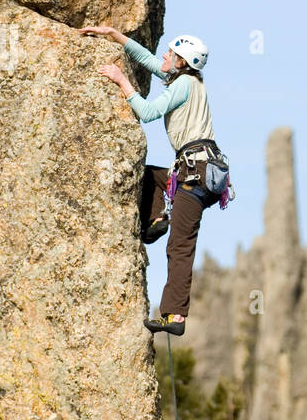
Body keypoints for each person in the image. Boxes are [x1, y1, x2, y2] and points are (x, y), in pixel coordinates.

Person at [82, 24, 223, 336]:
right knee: (146, 174)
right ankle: (157, 217)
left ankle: (175, 317)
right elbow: (149, 60)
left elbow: (147, 112)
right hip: (198, 170)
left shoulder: (182, 85)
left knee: (180, 246)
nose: (165, 54)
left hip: (194, 175)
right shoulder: (188, 82)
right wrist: (115, 35)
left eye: (172, 53)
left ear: (182, 61)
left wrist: (121, 80)